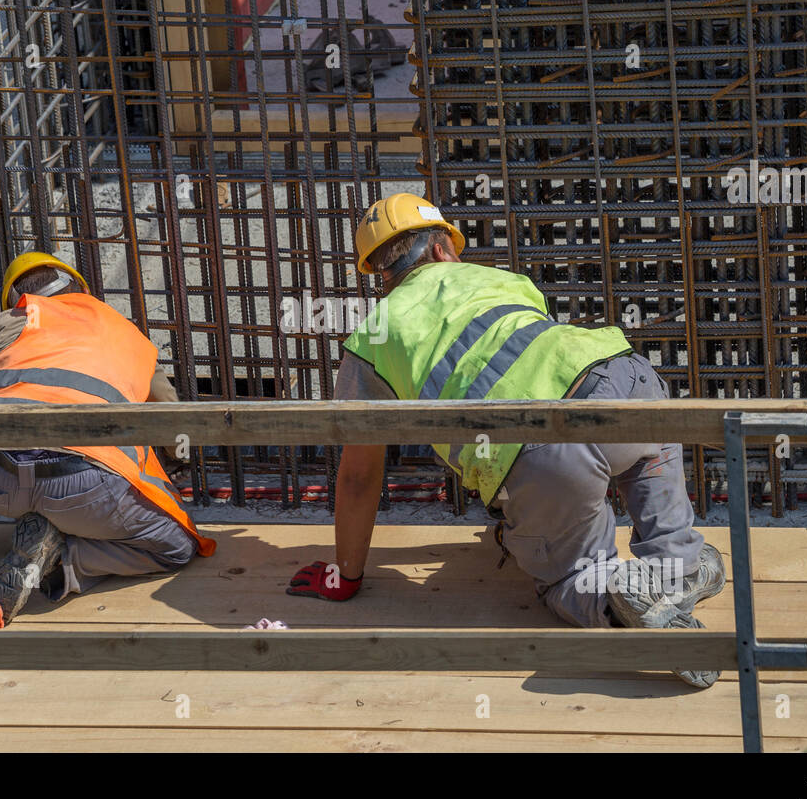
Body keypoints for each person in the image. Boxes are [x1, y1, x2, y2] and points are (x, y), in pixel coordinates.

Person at [286, 194, 725, 687]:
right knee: (649, 453)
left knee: (569, 578)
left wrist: (345, 575)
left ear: (380, 274)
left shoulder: (371, 339)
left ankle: (614, 592)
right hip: (627, 381)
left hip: (541, 450)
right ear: (440, 250)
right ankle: (680, 564)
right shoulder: (503, 281)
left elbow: (360, 476)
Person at [0, 251, 215, 622]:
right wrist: (177, 460)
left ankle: (41, 531)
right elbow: (170, 415)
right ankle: (62, 561)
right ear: (80, 287)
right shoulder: (120, 328)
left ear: (17, 301)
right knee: (174, 547)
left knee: (23, 473)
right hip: (83, 482)